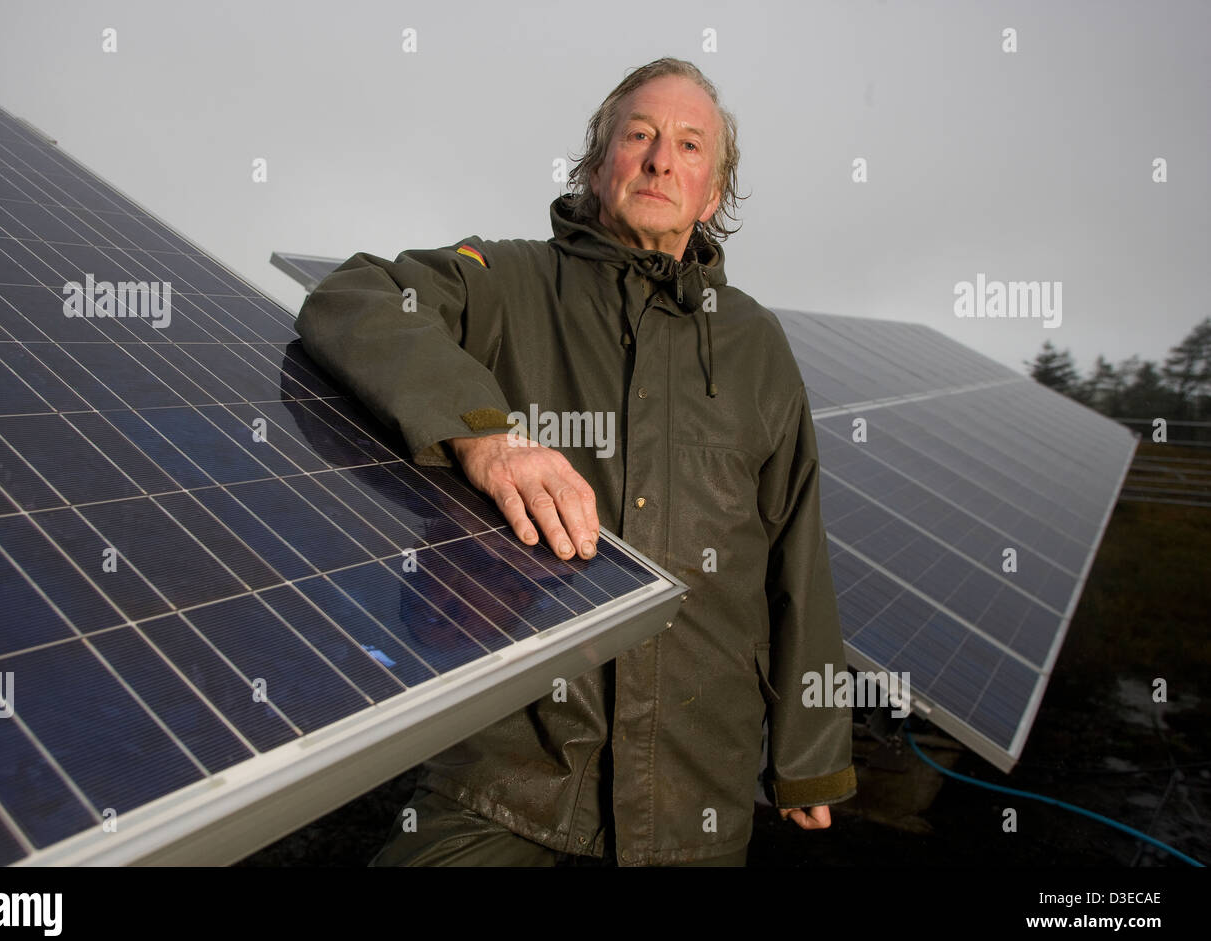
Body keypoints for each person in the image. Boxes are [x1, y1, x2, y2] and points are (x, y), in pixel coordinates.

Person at [293, 57, 856, 866]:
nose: (663, 158)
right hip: (506, 777)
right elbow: (356, 299)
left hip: (694, 797)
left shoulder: (755, 345)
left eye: (691, 146)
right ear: (597, 165)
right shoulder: (508, 281)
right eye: (639, 135)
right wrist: (485, 434)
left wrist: (811, 759)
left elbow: (796, 551)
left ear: (716, 193)